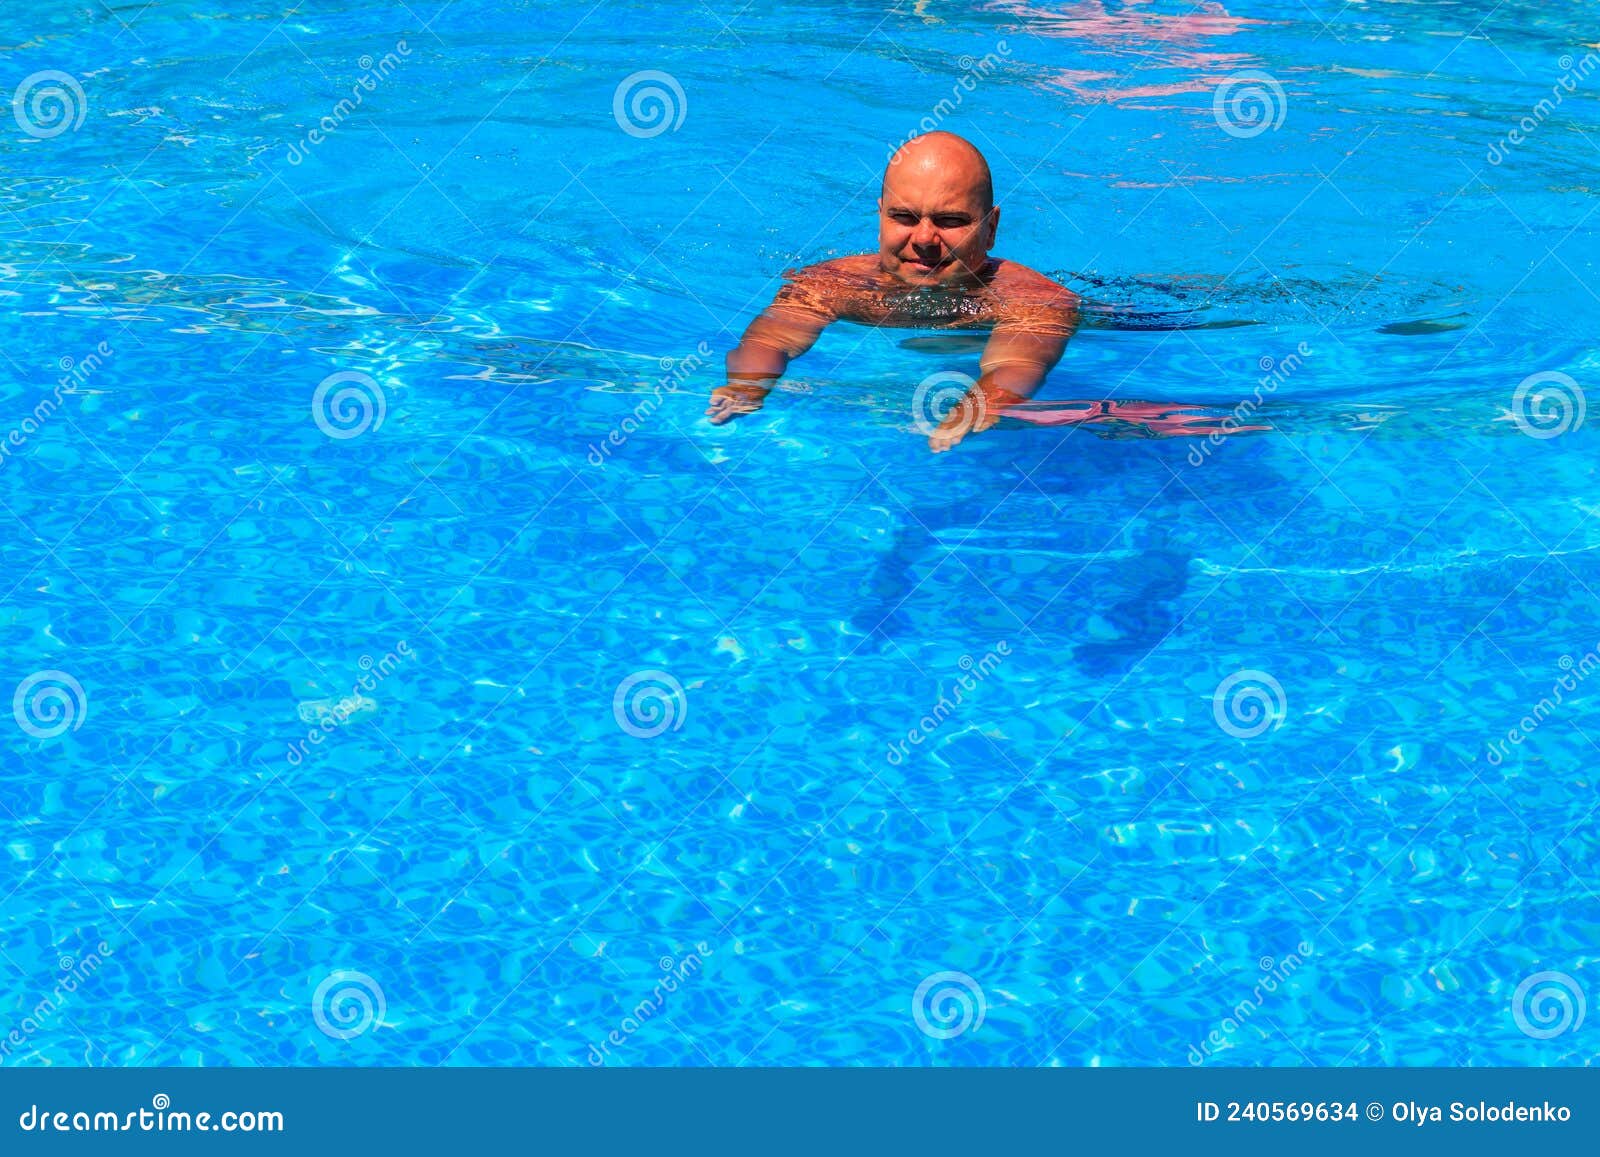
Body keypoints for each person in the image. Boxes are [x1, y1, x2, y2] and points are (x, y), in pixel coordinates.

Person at [707, 131, 1079, 452]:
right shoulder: (835, 285)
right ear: (880, 218)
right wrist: (746, 386)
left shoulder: (1033, 298)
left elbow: (1016, 366)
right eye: (904, 217)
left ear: (991, 227)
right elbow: (772, 341)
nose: (923, 239)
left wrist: (976, 405)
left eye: (950, 221)